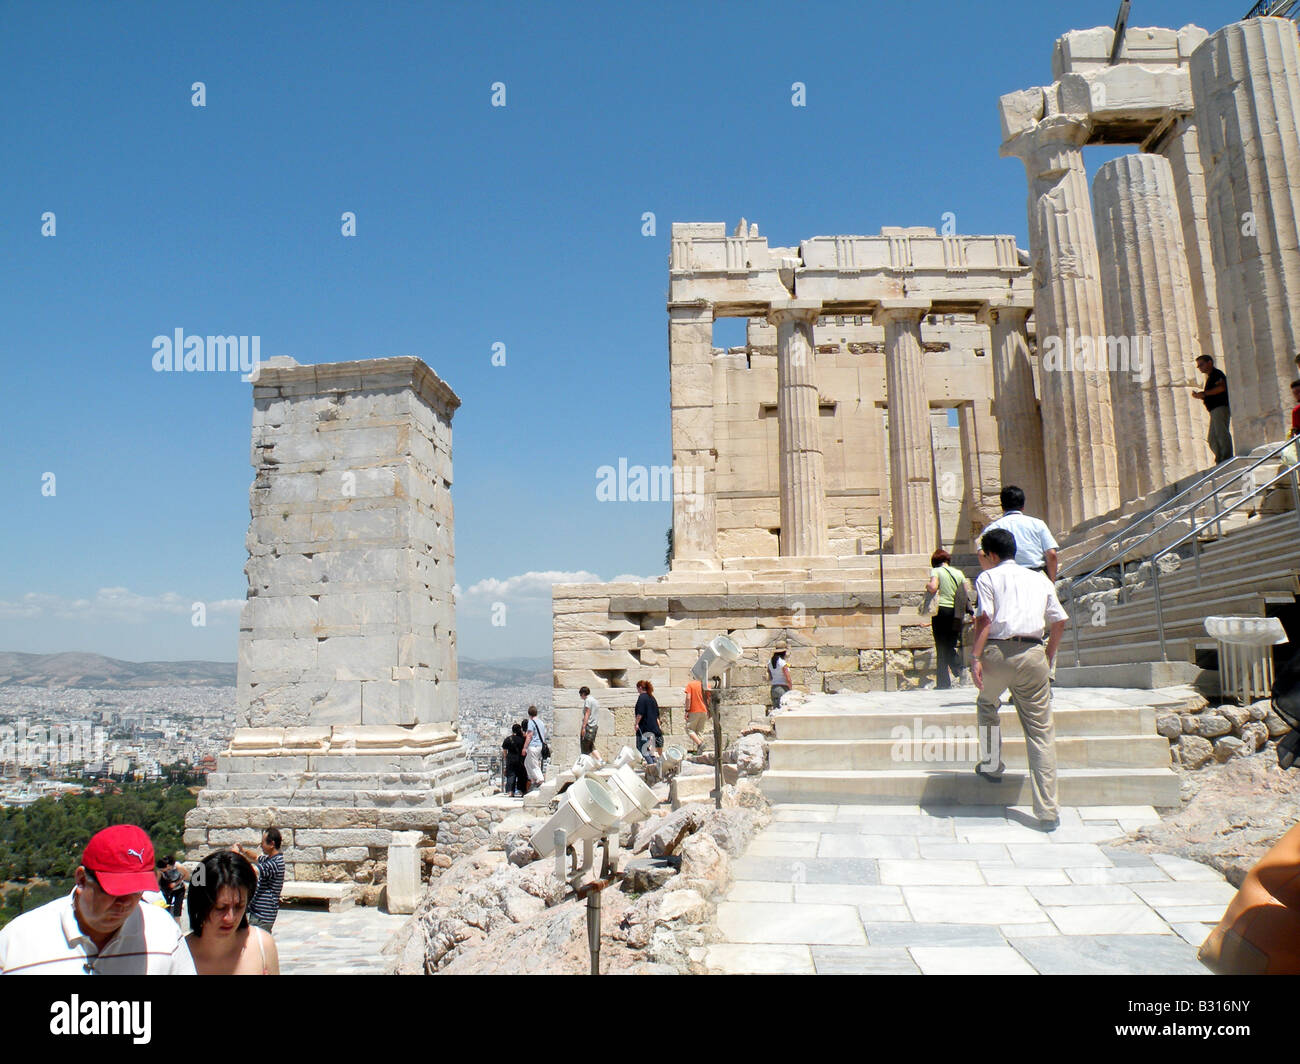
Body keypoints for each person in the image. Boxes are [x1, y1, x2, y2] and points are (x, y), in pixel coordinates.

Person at [970, 527, 1069, 831]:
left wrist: (975, 656)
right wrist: (1048, 657)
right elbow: (1059, 620)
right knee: (1040, 731)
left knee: (987, 704)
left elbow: (984, 619)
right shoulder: (1039, 578)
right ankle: (1048, 810)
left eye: (984, 555)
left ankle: (992, 764)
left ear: (992, 554)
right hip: (1033, 653)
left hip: (998, 652)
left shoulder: (987, 578)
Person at [0, 824, 195, 974]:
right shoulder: (16, 942)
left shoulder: (163, 932)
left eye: (136, 891)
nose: (125, 903)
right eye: (115, 891)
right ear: (82, 880)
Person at [185, 850, 279, 975]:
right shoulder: (180, 954)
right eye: (220, 907)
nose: (230, 918)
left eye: (239, 906)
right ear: (200, 903)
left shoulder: (263, 945)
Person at [983, 486, 1059, 578]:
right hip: (1036, 576)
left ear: (1002, 506)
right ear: (1023, 506)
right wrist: (1051, 582)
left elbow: (981, 554)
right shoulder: (1038, 524)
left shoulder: (993, 528)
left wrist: (994, 576)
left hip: (1007, 577)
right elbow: (1051, 554)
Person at [926, 549, 971, 690]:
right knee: (950, 644)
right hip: (956, 613)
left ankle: (944, 681)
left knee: (941, 646)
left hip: (942, 611)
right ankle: (961, 669)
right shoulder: (959, 573)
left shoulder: (936, 571)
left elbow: (933, 587)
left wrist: (927, 586)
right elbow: (965, 593)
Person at [235, 828, 284, 933]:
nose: (261, 845)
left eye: (262, 843)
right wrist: (243, 851)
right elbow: (256, 857)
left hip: (263, 916)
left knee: (256, 944)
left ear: (271, 844)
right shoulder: (270, 859)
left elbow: (253, 871)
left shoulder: (275, 863)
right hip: (258, 913)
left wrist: (234, 856)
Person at [1193, 354, 1234, 464]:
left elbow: (1221, 388)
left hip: (1220, 407)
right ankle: (1220, 459)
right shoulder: (1211, 377)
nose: (1200, 368)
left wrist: (1204, 394)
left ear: (1209, 362)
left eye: (1201, 364)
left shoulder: (1217, 374)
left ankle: (1226, 458)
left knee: (1221, 433)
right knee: (1212, 438)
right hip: (1214, 409)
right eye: (1198, 366)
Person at [634, 680, 662, 764]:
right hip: (653, 727)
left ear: (640, 687)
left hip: (644, 727)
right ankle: (654, 761)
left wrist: (636, 723)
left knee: (641, 746)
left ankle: (651, 764)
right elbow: (657, 714)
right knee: (647, 746)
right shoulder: (652, 698)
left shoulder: (642, 697)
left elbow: (640, 713)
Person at [522, 704, 548, 791]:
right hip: (540, 746)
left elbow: (529, 735)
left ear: (529, 714)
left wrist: (524, 748)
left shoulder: (531, 722)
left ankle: (540, 780)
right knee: (527, 762)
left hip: (533, 746)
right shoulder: (541, 722)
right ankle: (533, 779)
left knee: (534, 764)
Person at [684, 674, 711, 753]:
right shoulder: (707, 685)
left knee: (689, 729)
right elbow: (709, 699)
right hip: (704, 710)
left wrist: (687, 710)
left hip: (694, 710)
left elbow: (688, 698)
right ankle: (700, 752)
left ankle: (700, 744)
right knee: (700, 731)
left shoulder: (690, 685)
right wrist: (709, 710)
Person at [501, 722, 527, 797]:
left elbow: (505, 751)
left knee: (511, 775)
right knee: (521, 775)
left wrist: (506, 758)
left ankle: (510, 792)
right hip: (521, 759)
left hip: (511, 759)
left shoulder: (508, 739)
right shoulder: (523, 739)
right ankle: (522, 791)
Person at [158, 854, 186, 920]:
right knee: (166, 908)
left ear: (167, 866)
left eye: (162, 869)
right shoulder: (162, 869)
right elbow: (158, 878)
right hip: (167, 890)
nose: (162, 871)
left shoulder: (178, 867)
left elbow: (186, 875)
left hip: (179, 889)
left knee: (177, 912)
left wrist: (176, 883)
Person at [577, 687, 599, 756]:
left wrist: (583, 727)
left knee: (584, 747)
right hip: (594, 725)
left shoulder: (588, 700)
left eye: (581, 695)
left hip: (589, 726)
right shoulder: (595, 700)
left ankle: (585, 762)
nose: (581, 697)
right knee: (590, 746)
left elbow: (587, 713)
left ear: (583, 693)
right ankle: (600, 760)